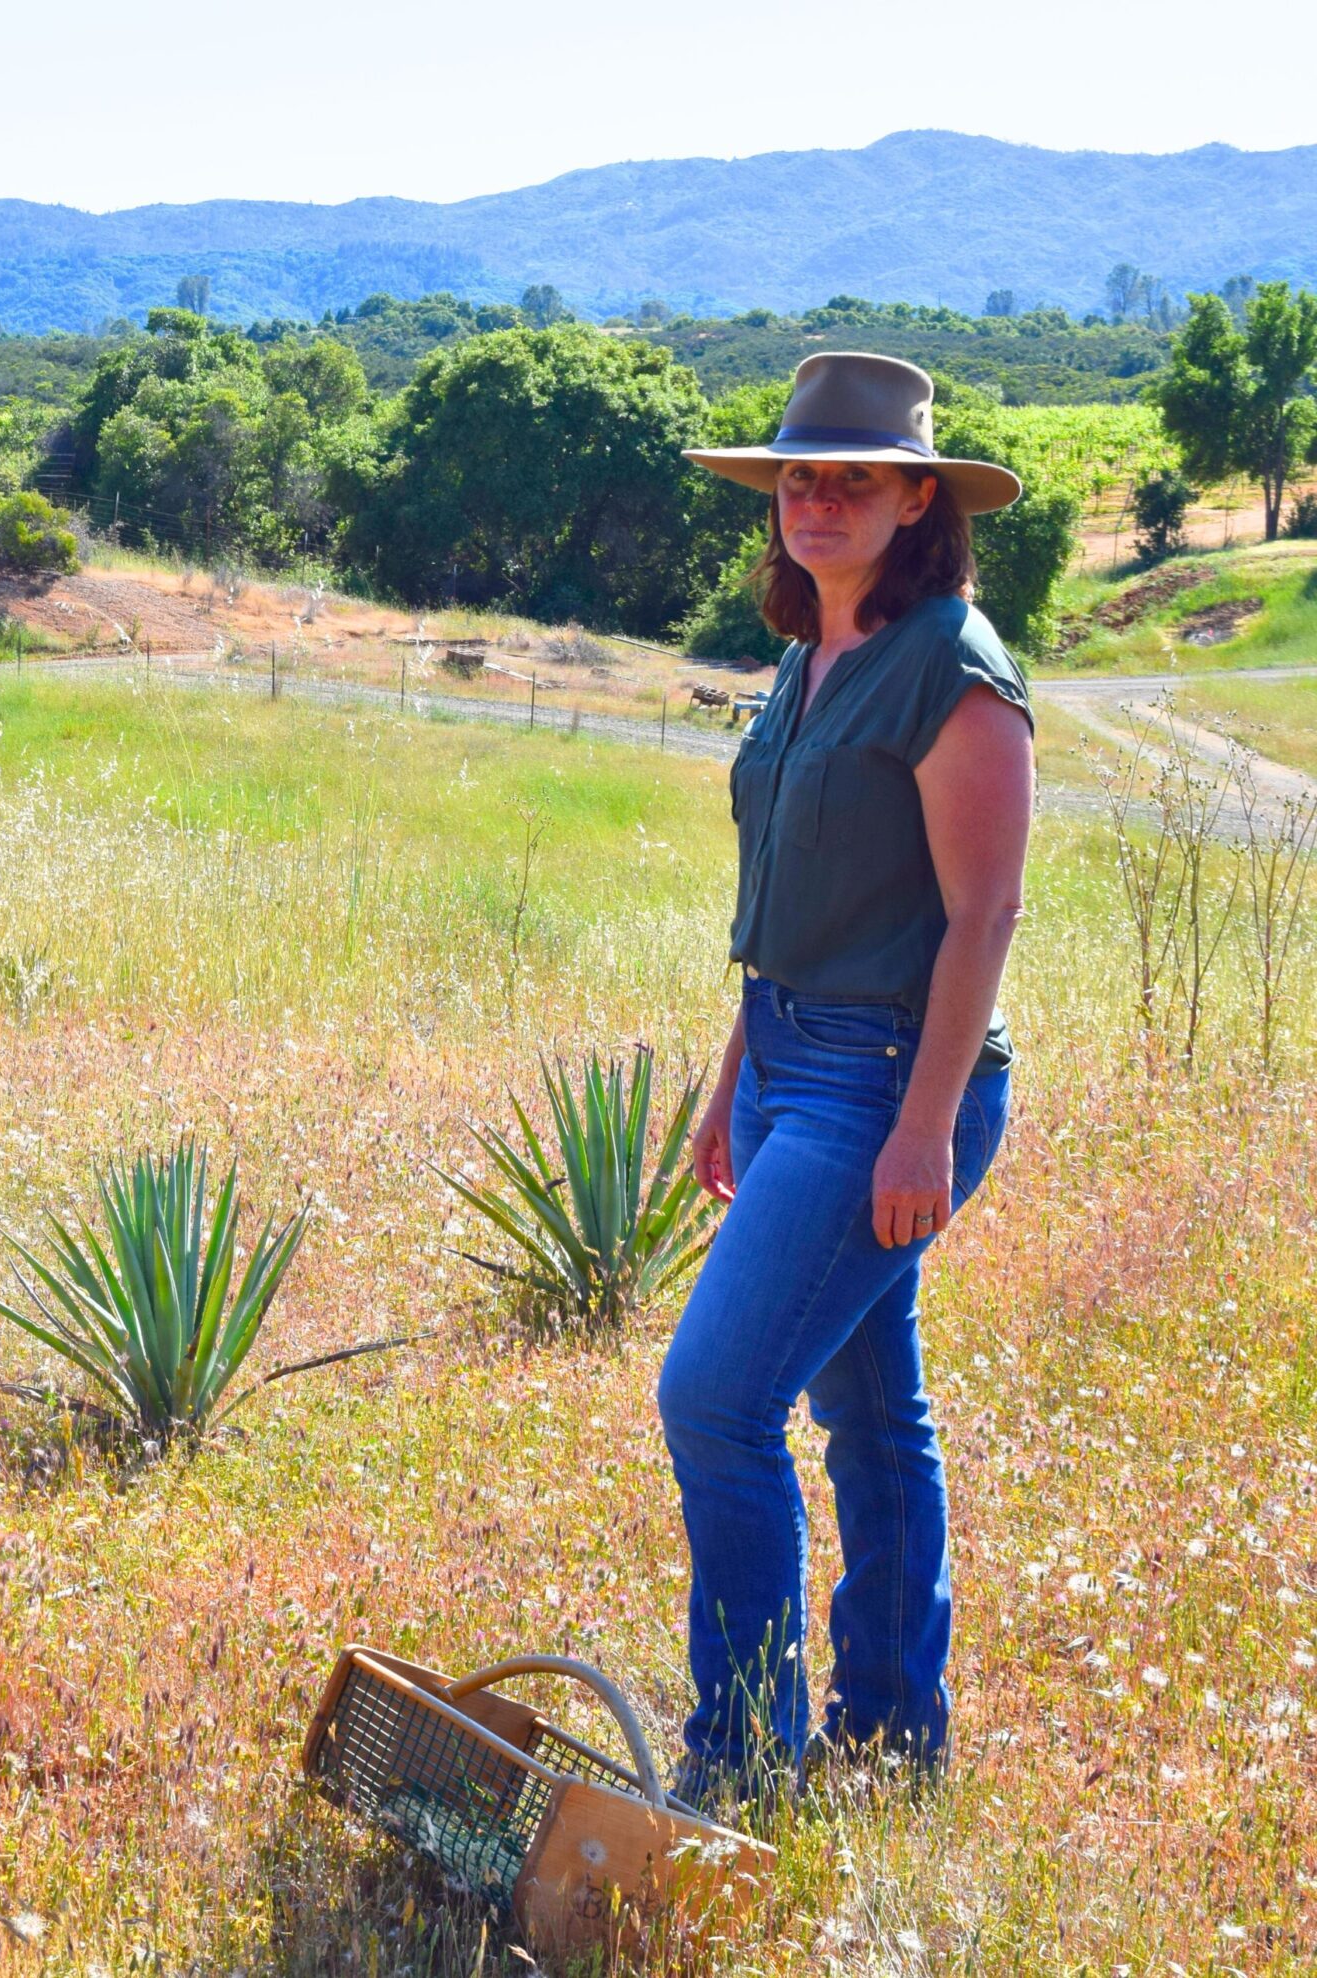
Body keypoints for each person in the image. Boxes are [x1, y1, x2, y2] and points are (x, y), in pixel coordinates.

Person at [657, 352, 1034, 1806]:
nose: (818, 499)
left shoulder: (952, 663)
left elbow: (981, 915)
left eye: (853, 478)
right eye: (799, 477)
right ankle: (889, 1725)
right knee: (870, 1409)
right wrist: (730, 1075)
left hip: (886, 1083)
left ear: (915, 498)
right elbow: (796, 888)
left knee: (717, 1396)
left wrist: (926, 1123)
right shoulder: (808, 657)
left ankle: (742, 1764)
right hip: (787, 1055)